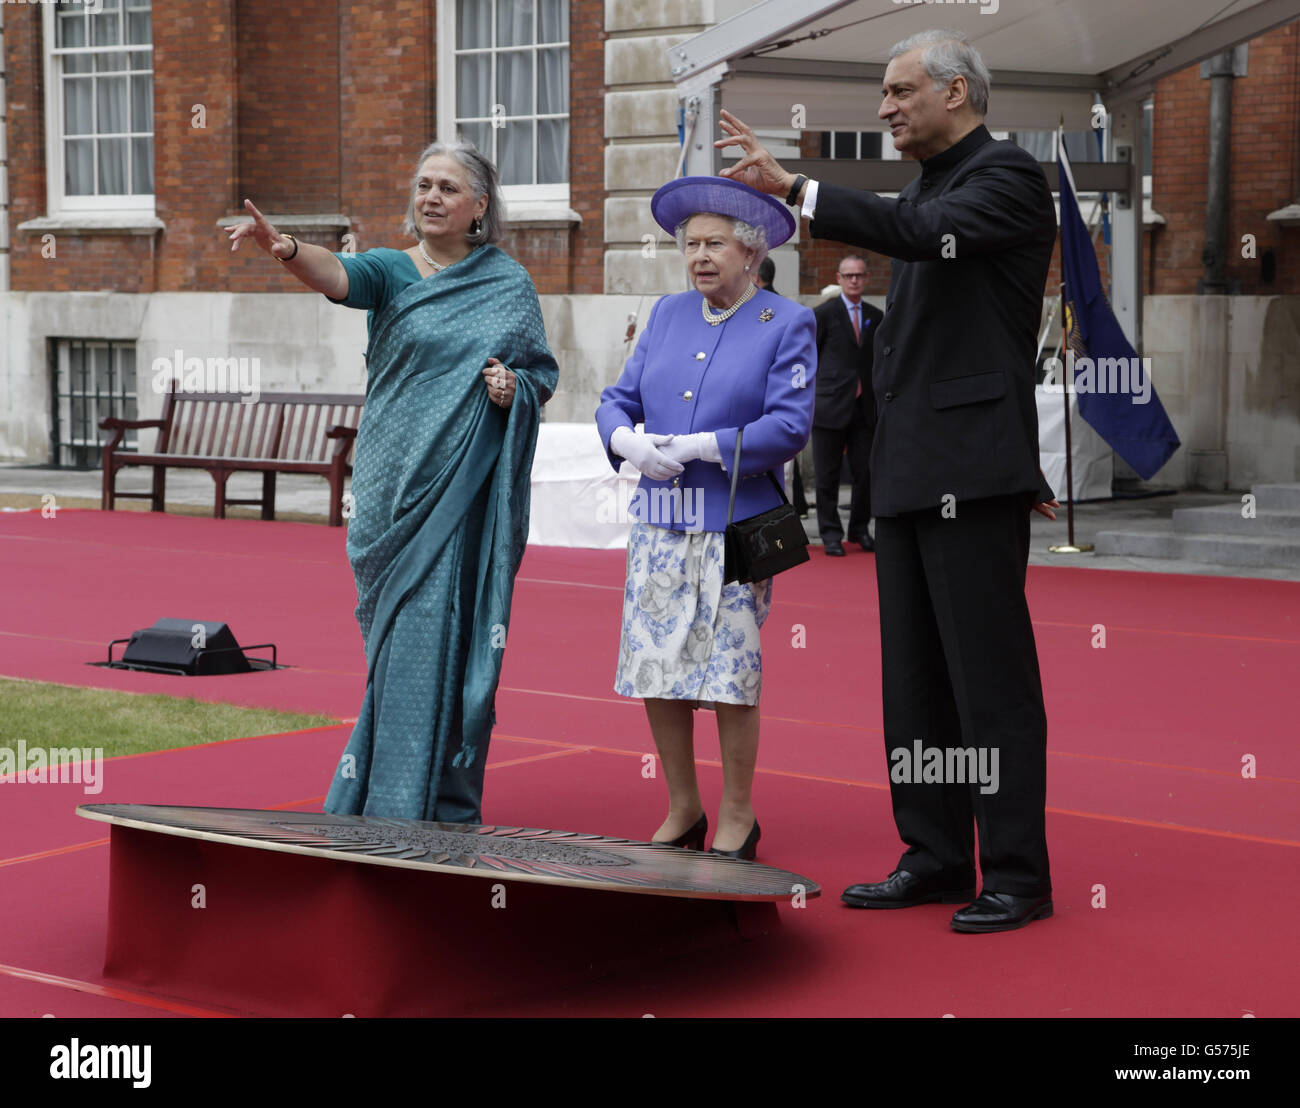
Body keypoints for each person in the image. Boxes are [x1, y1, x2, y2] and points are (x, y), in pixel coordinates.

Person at [717, 29, 1060, 931]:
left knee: (988, 685)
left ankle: (1018, 874)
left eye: (900, 92)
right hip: (908, 474)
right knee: (916, 684)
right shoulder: (929, 188)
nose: (884, 108)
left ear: (956, 92)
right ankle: (938, 854)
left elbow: (920, 234)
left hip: (974, 474)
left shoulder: (1008, 178)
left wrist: (797, 187)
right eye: (884, 93)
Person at [227, 140, 558, 823]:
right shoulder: (393, 272)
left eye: (446, 188)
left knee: (443, 633)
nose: (430, 197)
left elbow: (539, 373)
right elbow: (339, 276)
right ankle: (396, 791)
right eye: (423, 185)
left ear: (479, 207)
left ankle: (418, 799)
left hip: (459, 492)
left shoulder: (508, 284)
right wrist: (284, 247)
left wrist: (511, 390)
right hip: (389, 487)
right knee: (397, 640)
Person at [595, 177, 815, 860]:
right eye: (690, 244)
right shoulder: (666, 315)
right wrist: (624, 440)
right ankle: (684, 806)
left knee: (729, 673)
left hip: (735, 526)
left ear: (751, 252)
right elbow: (617, 399)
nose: (698, 256)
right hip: (661, 521)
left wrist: (704, 447)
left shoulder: (787, 322)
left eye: (714, 243)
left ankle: (739, 815)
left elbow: (790, 426)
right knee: (657, 667)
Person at [812, 255, 883, 555]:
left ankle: (859, 530)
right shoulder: (822, 315)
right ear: (839, 278)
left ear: (866, 279)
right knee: (826, 474)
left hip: (865, 407)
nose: (854, 280)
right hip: (829, 405)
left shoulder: (876, 316)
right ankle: (830, 533)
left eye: (859, 275)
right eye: (848, 275)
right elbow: (809, 357)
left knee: (866, 472)